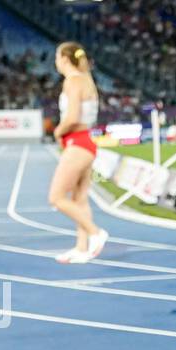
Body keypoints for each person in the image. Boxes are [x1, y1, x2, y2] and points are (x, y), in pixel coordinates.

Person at [49, 41, 107, 264]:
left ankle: (95, 233)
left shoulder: (72, 82)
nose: (55, 62)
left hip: (77, 143)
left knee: (56, 197)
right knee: (79, 199)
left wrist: (57, 131)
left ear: (64, 58)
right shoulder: (87, 81)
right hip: (86, 142)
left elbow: (72, 117)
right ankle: (82, 248)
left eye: (57, 57)